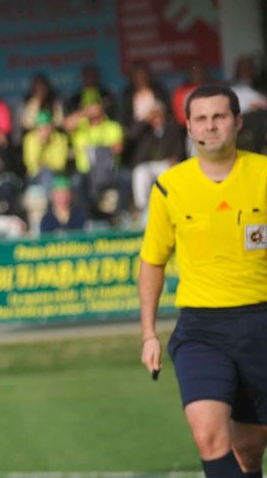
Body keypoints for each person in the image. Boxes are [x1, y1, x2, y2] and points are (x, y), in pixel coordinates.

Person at [140, 84, 267, 478]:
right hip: (201, 329)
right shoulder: (169, 186)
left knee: (248, 451)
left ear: (237, 122)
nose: (210, 127)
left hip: (261, 322)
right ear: (190, 127)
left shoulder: (263, 173)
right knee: (208, 438)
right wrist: (148, 333)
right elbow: (152, 262)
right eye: (201, 119)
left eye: (219, 117)